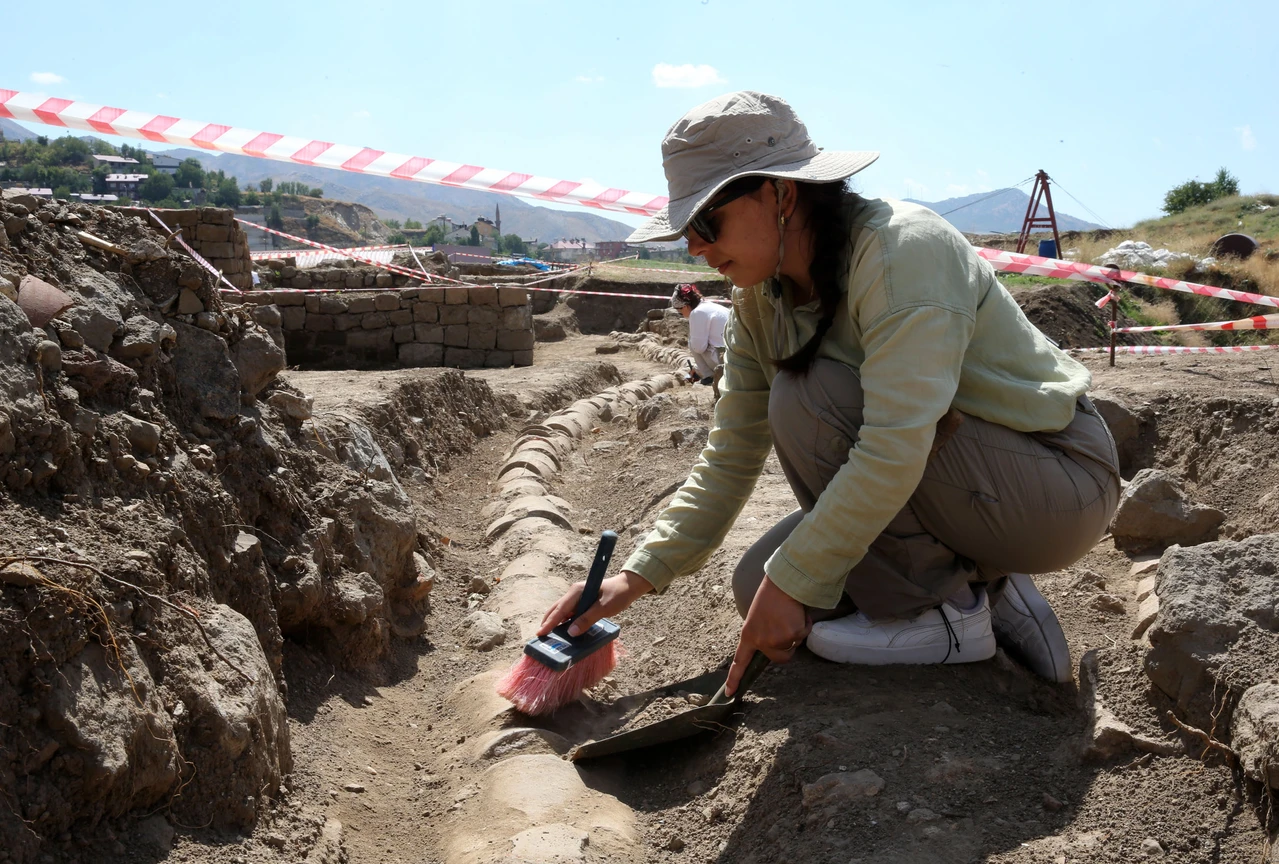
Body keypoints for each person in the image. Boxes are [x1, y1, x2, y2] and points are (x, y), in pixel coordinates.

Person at [537, 91, 1120, 696]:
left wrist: (795, 582)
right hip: (971, 485)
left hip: (1057, 484)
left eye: (706, 223)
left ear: (781, 193)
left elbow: (897, 440)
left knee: (807, 397)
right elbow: (731, 451)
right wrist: (633, 577)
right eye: (686, 231)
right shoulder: (764, 299)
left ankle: (946, 617)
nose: (696, 248)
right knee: (754, 587)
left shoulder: (900, 253)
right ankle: (989, 584)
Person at [671, 283, 728, 390]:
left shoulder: (697, 313)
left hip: (724, 360)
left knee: (693, 343)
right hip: (735, 356)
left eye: (680, 311)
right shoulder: (711, 306)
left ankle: (709, 377)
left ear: (686, 306)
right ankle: (701, 374)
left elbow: (698, 348)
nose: (682, 315)